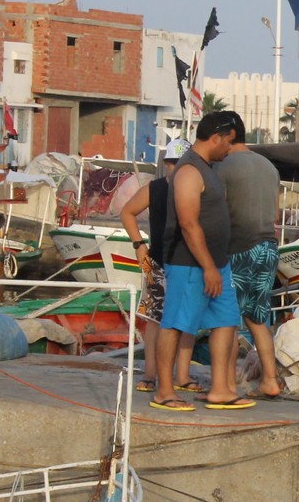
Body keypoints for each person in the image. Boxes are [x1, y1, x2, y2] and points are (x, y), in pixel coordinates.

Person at [149, 111, 253, 412]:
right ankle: (164, 390)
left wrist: (216, 265)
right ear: (216, 137)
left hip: (217, 263)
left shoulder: (209, 169)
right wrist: (207, 266)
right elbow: (188, 223)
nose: (230, 149)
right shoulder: (189, 171)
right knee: (176, 323)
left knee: (226, 321)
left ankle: (220, 389)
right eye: (228, 143)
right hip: (188, 263)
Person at [118, 138, 194, 393]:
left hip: (189, 261)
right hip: (159, 260)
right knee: (154, 319)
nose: (177, 168)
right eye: (173, 163)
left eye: (182, 163)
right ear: (166, 164)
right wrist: (139, 244)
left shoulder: (198, 189)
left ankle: (182, 376)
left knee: (187, 319)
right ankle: (150, 374)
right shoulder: (156, 188)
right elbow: (127, 212)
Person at [217, 116, 284, 398]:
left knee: (228, 319)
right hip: (268, 246)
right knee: (258, 319)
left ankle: (228, 385)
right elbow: (277, 214)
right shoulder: (269, 167)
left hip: (239, 247)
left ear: (228, 136)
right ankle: (270, 380)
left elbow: (216, 211)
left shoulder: (225, 166)